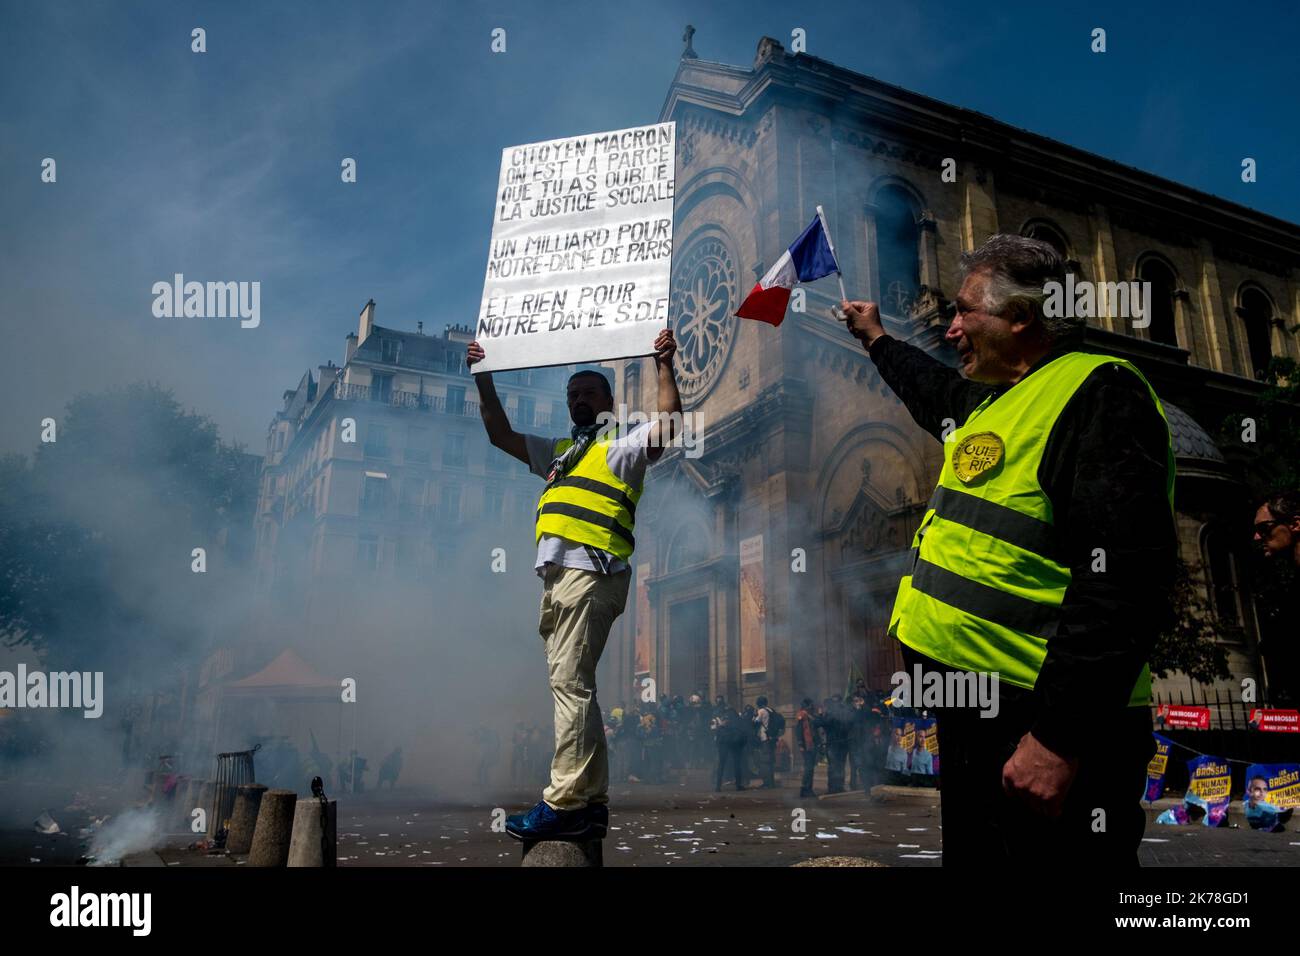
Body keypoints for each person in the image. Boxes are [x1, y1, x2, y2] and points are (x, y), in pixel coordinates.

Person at [840, 233, 1177, 866]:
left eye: (966, 311)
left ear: (1022, 317)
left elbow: (1125, 580)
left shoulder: (1100, 393)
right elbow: (928, 387)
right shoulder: (990, 400)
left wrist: (1058, 737)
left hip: (1040, 715)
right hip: (979, 710)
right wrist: (876, 338)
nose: (952, 328)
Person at [468, 330, 680, 841]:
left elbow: (670, 423)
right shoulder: (561, 453)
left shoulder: (621, 446)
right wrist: (485, 379)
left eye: (588, 393)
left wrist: (663, 363)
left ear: (608, 400)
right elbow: (500, 434)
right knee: (576, 688)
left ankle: (564, 803)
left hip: (591, 574)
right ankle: (591, 803)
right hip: (561, 580)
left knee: (569, 686)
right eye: (571, 395)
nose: (578, 400)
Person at [754, 696, 778, 788]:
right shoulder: (771, 710)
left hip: (765, 738)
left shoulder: (761, 711)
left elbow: (755, 722)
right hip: (772, 738)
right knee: (770, 761)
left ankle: (767, 783)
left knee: (765, 761)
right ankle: (771, 782)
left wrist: (754, 714)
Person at [796, 698, 818, 798]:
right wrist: (801, 744)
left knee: (810, 768)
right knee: (808, 768)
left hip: (811, 744)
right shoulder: (802, 715)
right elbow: (799, 730)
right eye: (810, 705)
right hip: (807, 745)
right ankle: (805, 789)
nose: (812, 706)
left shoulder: (809, 715)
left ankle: (808, 789)